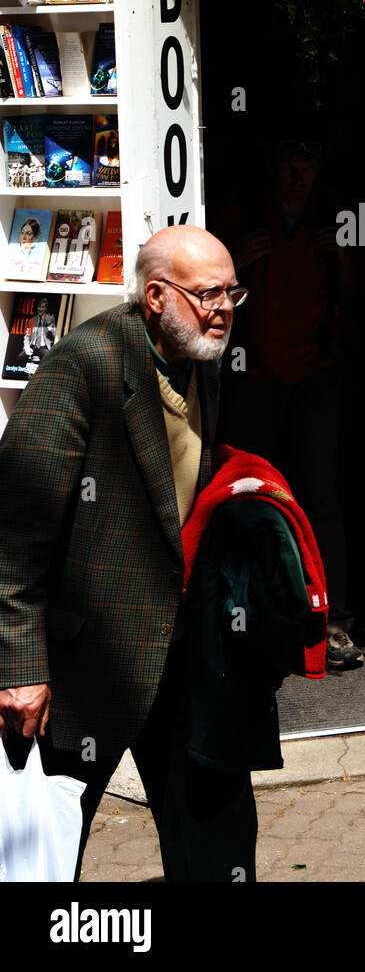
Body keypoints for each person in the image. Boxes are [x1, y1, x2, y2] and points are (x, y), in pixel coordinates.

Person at [0, 224, 260, 882]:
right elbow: (13, 531)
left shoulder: (206, 357)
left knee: (217, 833)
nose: (224, 307)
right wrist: (19, 666)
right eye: (208, 294)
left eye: (232, 292)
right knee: (38, 852)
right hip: (83, 660)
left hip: (184, 648)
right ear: (154, 296)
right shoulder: (82, 368)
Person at [218, 130, 363, 670]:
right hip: (254, 373)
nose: (296, 173)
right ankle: (245, 615)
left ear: (320, 170)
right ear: (274, 160)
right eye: (289, 158)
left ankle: (335, 621)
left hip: (315, 374)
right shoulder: (243, 216)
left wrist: (345, 255)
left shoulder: (332, 225)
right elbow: (209, 295)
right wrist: (233, 259)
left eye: (308, 161)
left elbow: (358, 302)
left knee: (320, 494)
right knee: (251, 493)